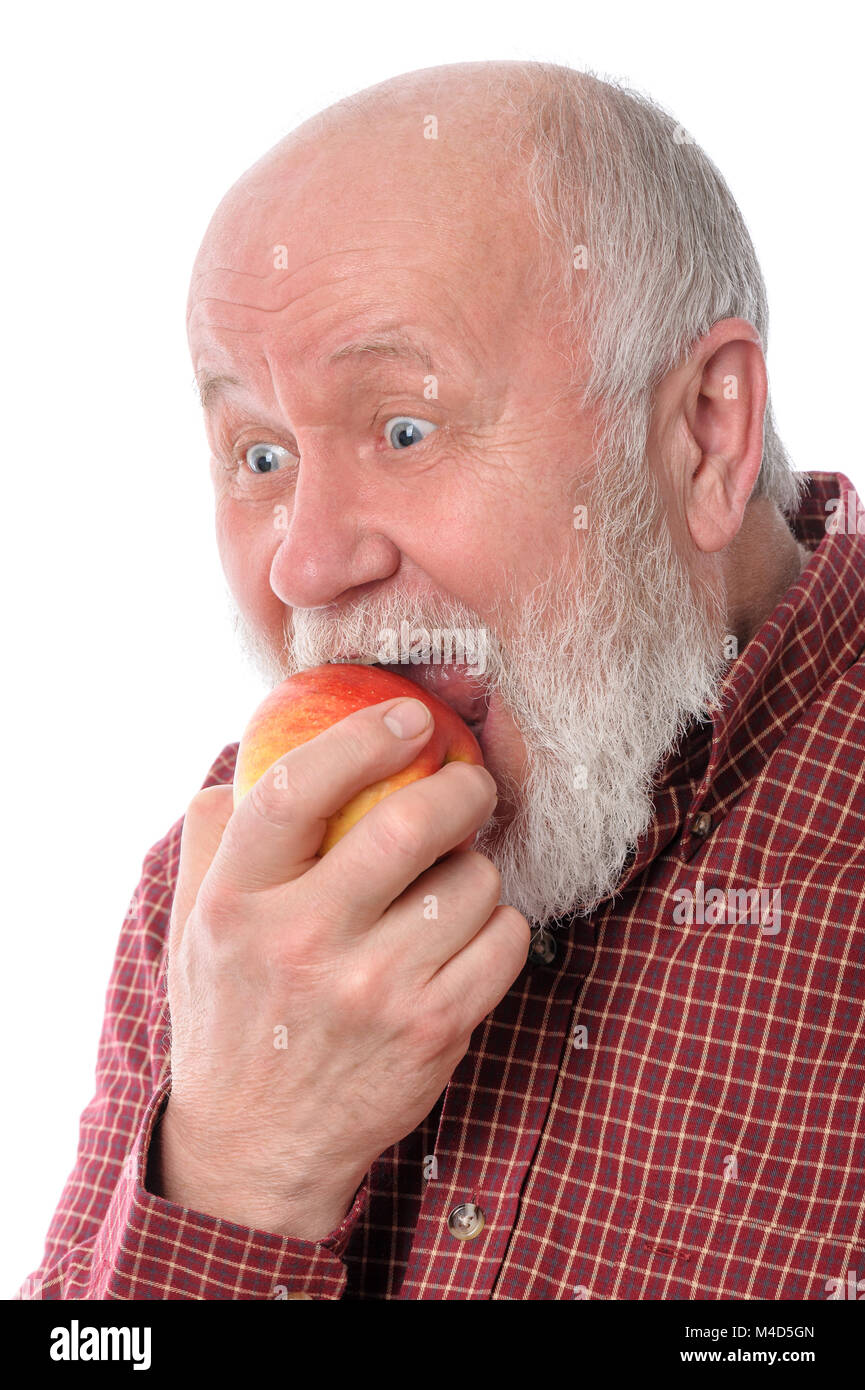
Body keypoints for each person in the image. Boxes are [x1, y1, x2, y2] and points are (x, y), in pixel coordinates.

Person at [18, 59, 865, 1301]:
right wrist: (239, 1170)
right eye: (258, 452)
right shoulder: (230, 892)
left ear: (703, 434)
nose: (307, 562)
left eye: (403, 429)